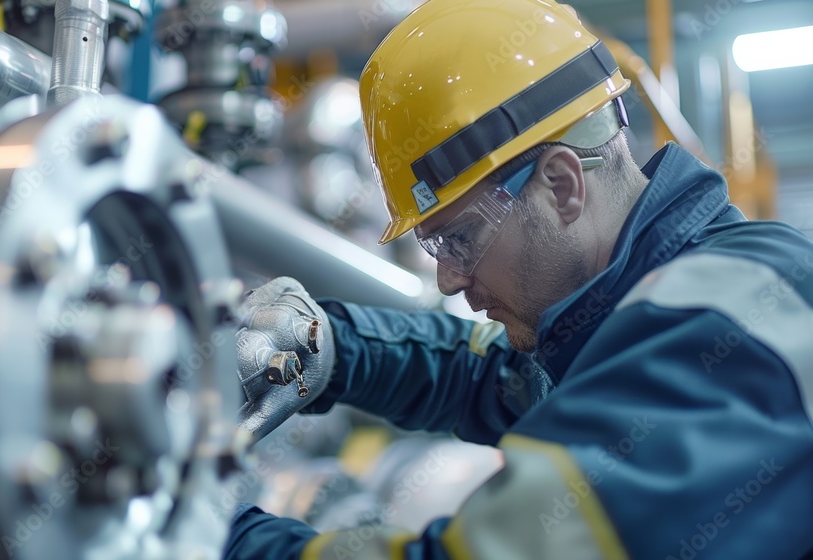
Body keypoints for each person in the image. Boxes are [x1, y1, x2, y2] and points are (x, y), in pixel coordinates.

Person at [226, 0, 813, 558]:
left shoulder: (725, 329)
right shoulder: (629, 311)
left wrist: (216, 533)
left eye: (459, 239)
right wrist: (324, 346)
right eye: (431, 246)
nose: (449, 279)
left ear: (561, 186)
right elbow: (495, 373)